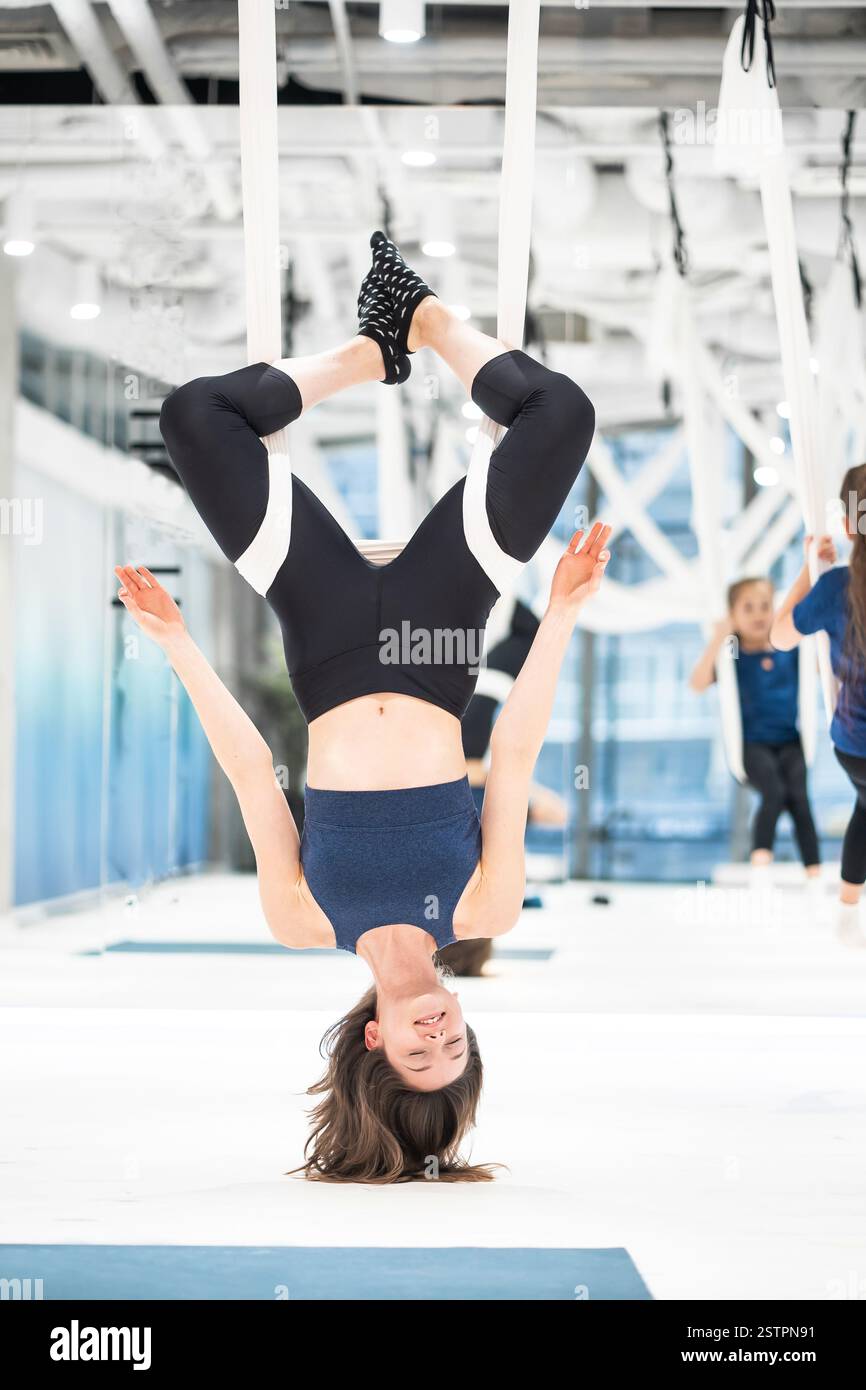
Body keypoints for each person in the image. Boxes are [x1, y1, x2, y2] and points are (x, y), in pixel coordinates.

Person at [115, 232, 608, 1181]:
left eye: (418, 1051)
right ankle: (427, 324)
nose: (438, 1033)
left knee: (194, 416)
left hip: (327, 625)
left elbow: (253, 771)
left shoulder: (304, 920)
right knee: (560, 414)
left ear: (374, 1041)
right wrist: (563, 613)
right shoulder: (485, 905)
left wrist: (179, 643)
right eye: (454, 1048)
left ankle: (370, 358)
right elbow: (511, 756)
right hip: (442, 623)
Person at [771, 471, 866, 946]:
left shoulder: (835, 589)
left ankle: (848, 911)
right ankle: (847, 911)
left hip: (853, 746)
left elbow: (779, 635)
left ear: (848, 527)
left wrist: (810, 571)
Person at [690, 575, 821, 883]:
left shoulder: (790, 649)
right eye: (748, 608)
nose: (759, 614)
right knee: (774, 793)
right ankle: (761, 870)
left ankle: (813, 875)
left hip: (790, 740)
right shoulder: (731, 656)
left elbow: (823, 670)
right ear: (733, 616)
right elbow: (697, 684)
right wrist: (718, 637)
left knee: (800, 799)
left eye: (765, 606)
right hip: (751, 746)